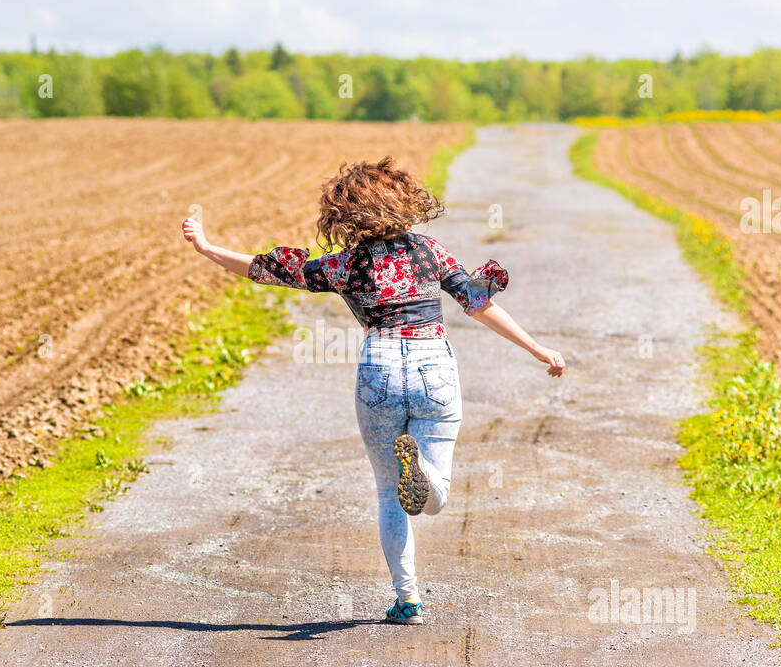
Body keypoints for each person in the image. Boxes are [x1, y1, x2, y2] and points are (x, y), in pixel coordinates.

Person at [181, 156, 564, 625]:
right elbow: (478, 304)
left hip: (378, 367)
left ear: (344, 212)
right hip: (433, 365)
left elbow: (268, 270)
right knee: (434, 492)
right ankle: (424, 472)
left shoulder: (346, 265)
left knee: (389, 493)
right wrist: (536, 348)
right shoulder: (427, 251)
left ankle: (408, 600)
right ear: (401, 201)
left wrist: (206, 248)